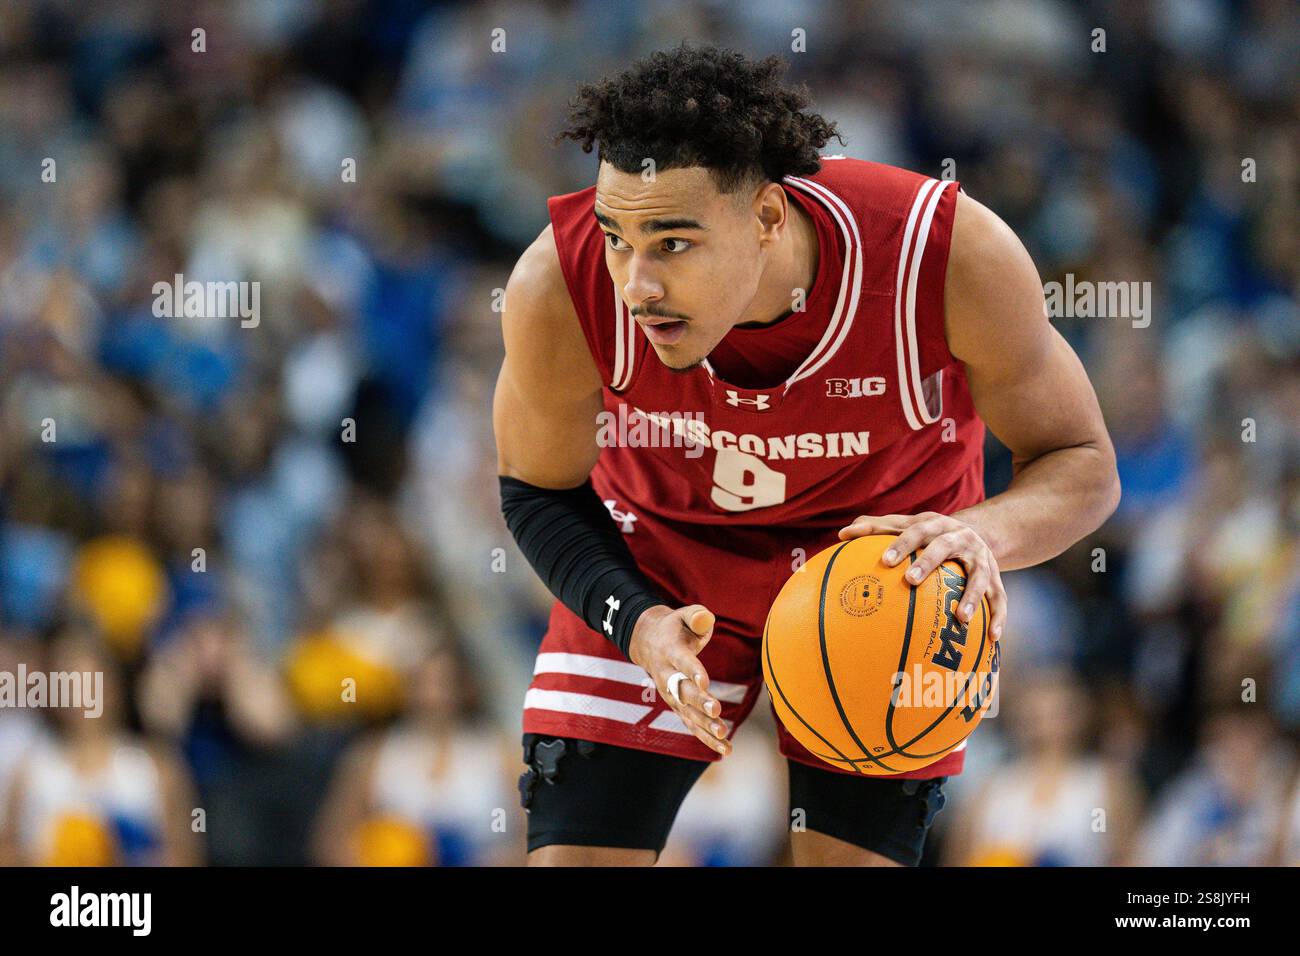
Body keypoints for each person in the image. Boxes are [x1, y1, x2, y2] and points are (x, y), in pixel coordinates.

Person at [493, 44, 1120, 866]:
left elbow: (1081, 460)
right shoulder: (559, 283)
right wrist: (637, 621)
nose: (635, 282)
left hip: (877, 579)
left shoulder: (944, 253)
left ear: (766, 216)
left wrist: (983, 534)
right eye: (618, 237)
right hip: (657, 568)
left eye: (671, 244)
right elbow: (536, 490)